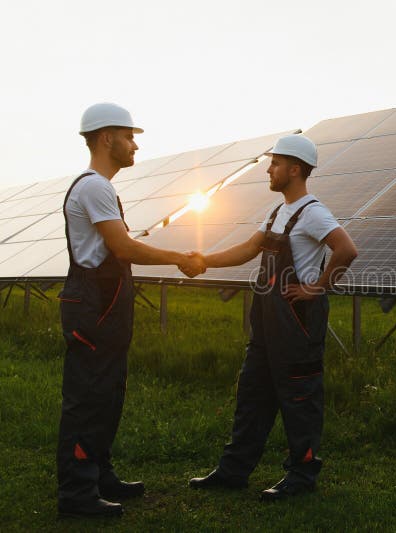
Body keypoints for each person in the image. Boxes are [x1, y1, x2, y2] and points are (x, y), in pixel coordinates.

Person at [188, 134, 357, 501]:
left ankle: (302, 475)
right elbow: (249, 249)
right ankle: (233, 471)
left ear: (294, 169)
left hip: (297, 321)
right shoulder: (277, 212)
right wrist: (203, 260)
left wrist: (318, 288)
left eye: (276, 163)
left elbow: (346, 248)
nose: (269, 168)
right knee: (252, 394)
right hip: (267, 321)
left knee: (300, 397)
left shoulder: (313, 212)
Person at [57, 103, 206, 518]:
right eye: (129, 135)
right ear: (106, 138)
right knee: (88, 398)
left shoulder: (99, 187)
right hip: (94, 308)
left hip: (102, 306)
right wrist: (179, 258)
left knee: (107, 394)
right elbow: (123, 248)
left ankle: (100, 475)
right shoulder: (94, 187)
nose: (134, 143)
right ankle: (76, 493)